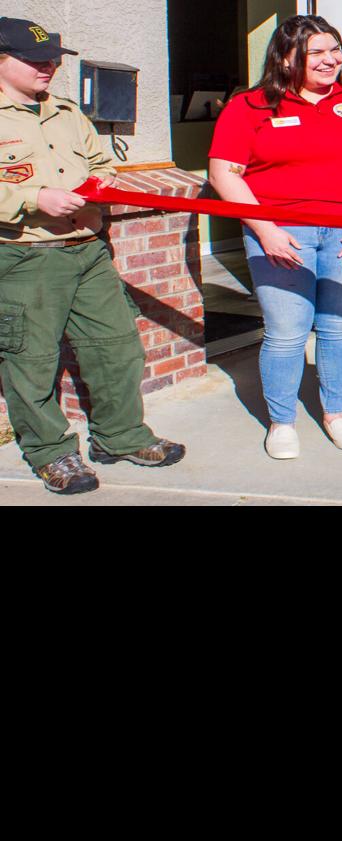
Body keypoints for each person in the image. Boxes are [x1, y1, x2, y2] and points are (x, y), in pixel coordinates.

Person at [209, 15, 342, 461]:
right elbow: (224, 173)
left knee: (339, 325)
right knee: (286, 332)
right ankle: (282, 421)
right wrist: (265, 230)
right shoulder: (249, 106)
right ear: (285, 57)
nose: (330, 59)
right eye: (316, 52)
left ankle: (336, 413)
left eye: (334, 50)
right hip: (280, 233)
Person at [0, 17, 184, 494]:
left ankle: (120, 437)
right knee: (31, 360)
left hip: (88, 250)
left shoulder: (66, 113)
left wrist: (101, 184)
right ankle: (50, 452)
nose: (48, 66)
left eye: (53, 59)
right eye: (35, 59)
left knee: (116, 348)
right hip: (26, 256)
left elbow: (101, 165)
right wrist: (34, 198)